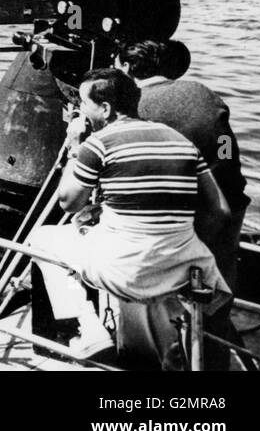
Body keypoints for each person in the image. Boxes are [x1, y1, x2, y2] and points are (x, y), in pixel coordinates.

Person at [31, 68, 230, 317]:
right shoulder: (182, 141)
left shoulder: (97, 144)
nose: (81, 110)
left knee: (41, 239)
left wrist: (74, 147)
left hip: (127, 274)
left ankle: (88, 327)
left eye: (84, 103)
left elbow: (68, 202)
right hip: (181, 270)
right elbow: (221, 211)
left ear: (105, 109)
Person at [115, 39, 248, 290]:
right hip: (232, 196)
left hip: (190, 213)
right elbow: (224, 143)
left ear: (126, 68)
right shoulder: (202, 91)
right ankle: (217, 325)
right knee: (221, 274)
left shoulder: (135, 105)